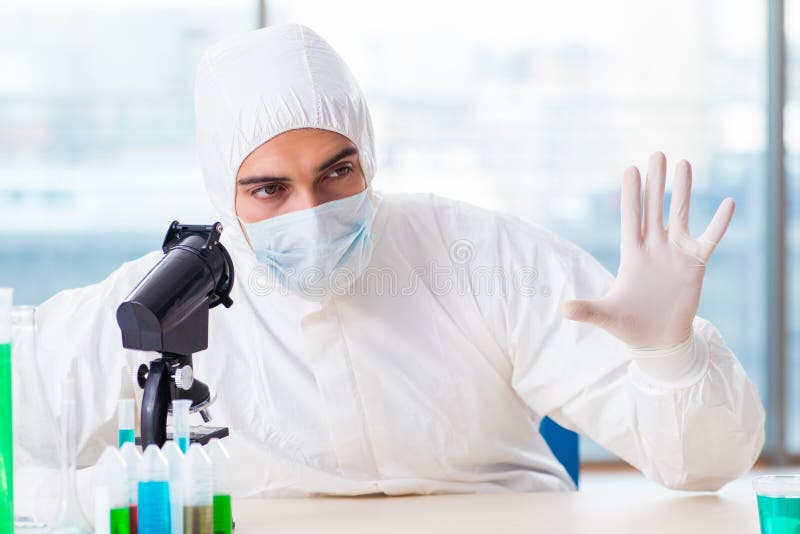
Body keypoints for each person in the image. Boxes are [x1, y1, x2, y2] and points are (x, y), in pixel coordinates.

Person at [16, 23, 763, 496]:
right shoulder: (169, 294)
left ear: (370, 158)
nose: (309, 213)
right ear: (222, 192)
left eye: (337, 172)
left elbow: (702, 470)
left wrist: (669, 357)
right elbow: (24, 407)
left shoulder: (480, 255)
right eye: (269, 188)